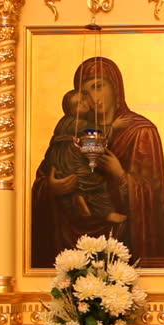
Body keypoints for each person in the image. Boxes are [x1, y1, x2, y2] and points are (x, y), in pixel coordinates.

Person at [32, 56, 164, 268]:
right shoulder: (70, 131)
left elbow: (155, 198)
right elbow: (44, 178)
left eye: (98, 87)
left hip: (124, 249)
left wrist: (121, 176)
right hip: (72, 250)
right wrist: (52, 187)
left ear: (115, 88)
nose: (94, 98)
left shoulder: (141, 131)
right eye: (85, 93)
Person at [45, 89, 126, 224]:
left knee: (76, 183)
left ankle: (78, 197)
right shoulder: (77, 122)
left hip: (61, 161)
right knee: (94, 182)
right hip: (73, 159)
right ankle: (107, 213)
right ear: (70, 110)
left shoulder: (63, 122)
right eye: (78, 103)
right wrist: (113, 126)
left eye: (83, 99)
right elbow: (96, 132)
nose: (84, 103)